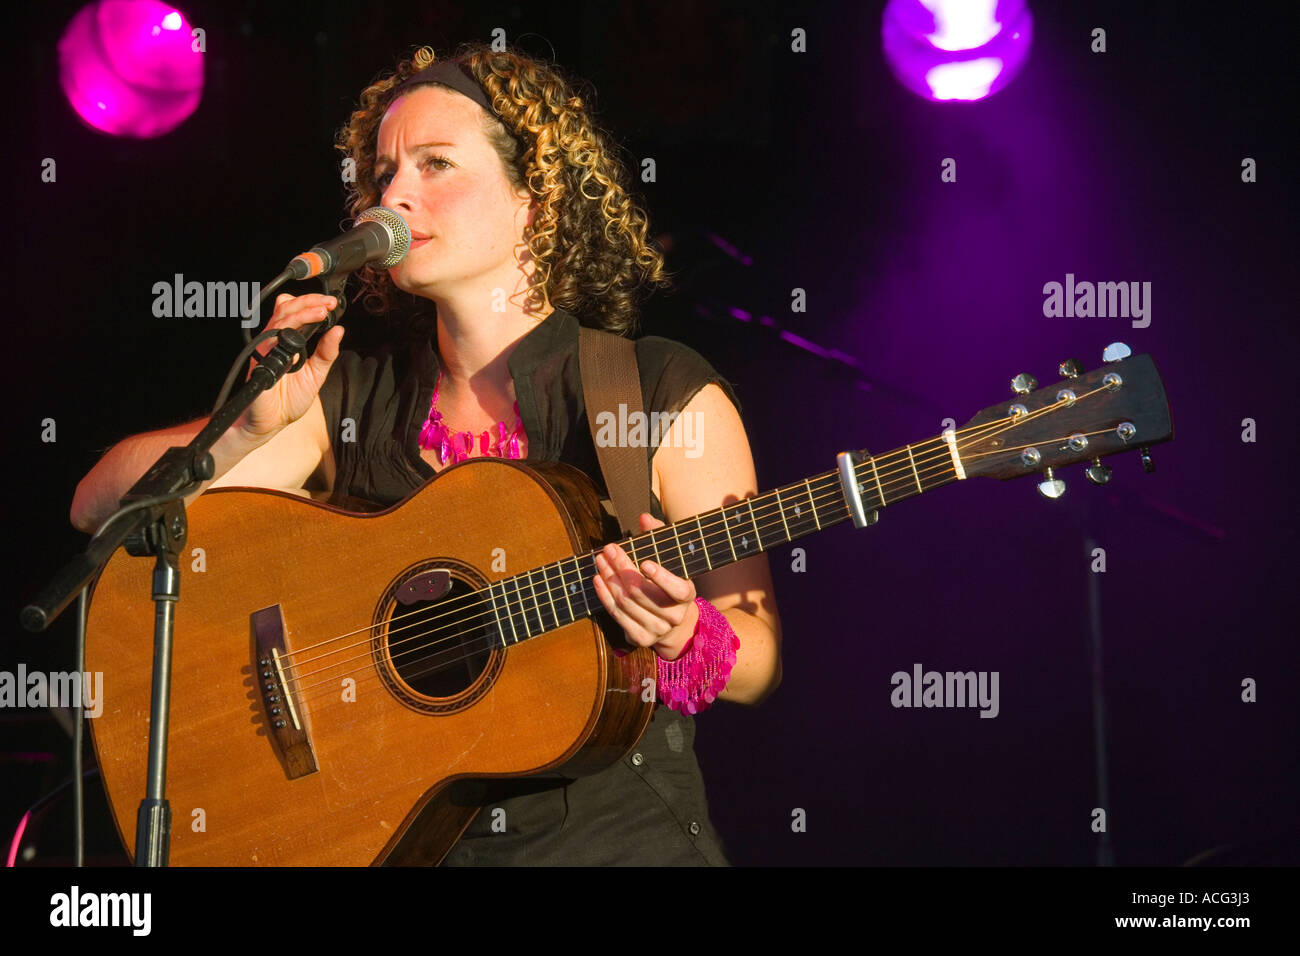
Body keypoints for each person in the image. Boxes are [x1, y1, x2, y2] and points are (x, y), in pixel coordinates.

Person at [70, 41, 781, 865]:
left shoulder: (654, 389)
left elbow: (758, 657)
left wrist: (687, 630)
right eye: (383, 173)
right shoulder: (350, 392)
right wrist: (249, 429)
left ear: (534, 200)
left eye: (434, 164)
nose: (394, 196)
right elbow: (101, 508)